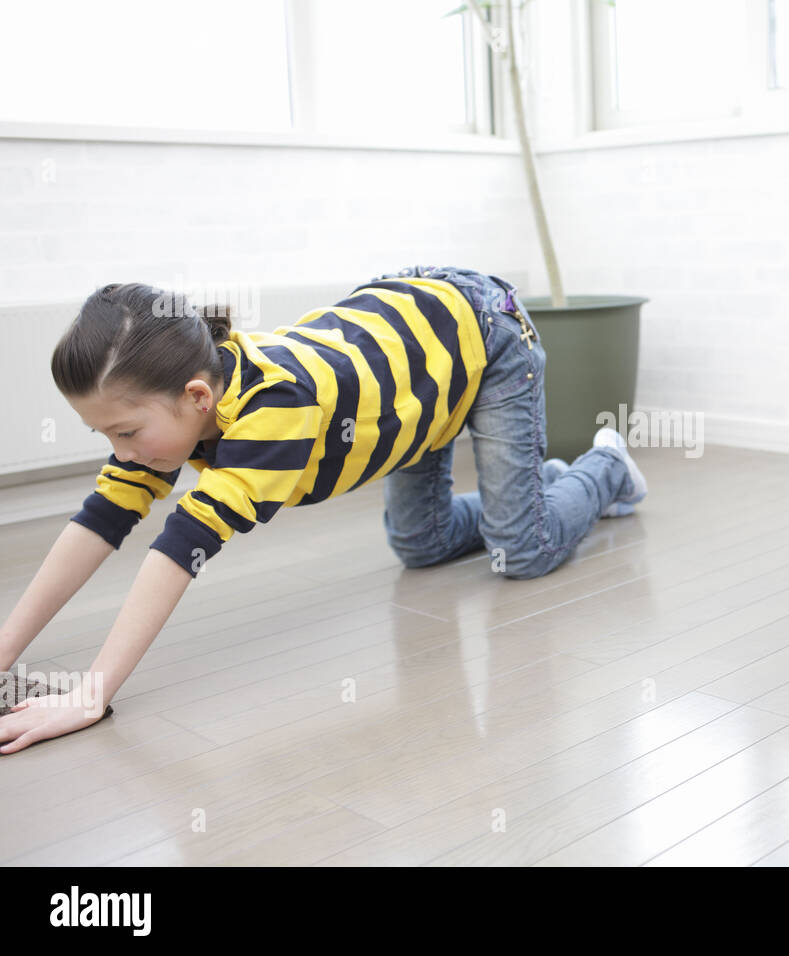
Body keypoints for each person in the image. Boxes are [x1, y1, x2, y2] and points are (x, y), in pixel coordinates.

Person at [0, 266, 646, 753]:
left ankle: (607, 465)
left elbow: (177, 550)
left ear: (198, 395)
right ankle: (533, 494)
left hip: (481, 335)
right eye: (105, 436)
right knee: (420, 546)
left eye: (126, 434)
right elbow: (99, 519)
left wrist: (91, 695)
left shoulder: (275, 413)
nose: (120, 452)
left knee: (521, 553)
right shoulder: (186, 398)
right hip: (410, 369)